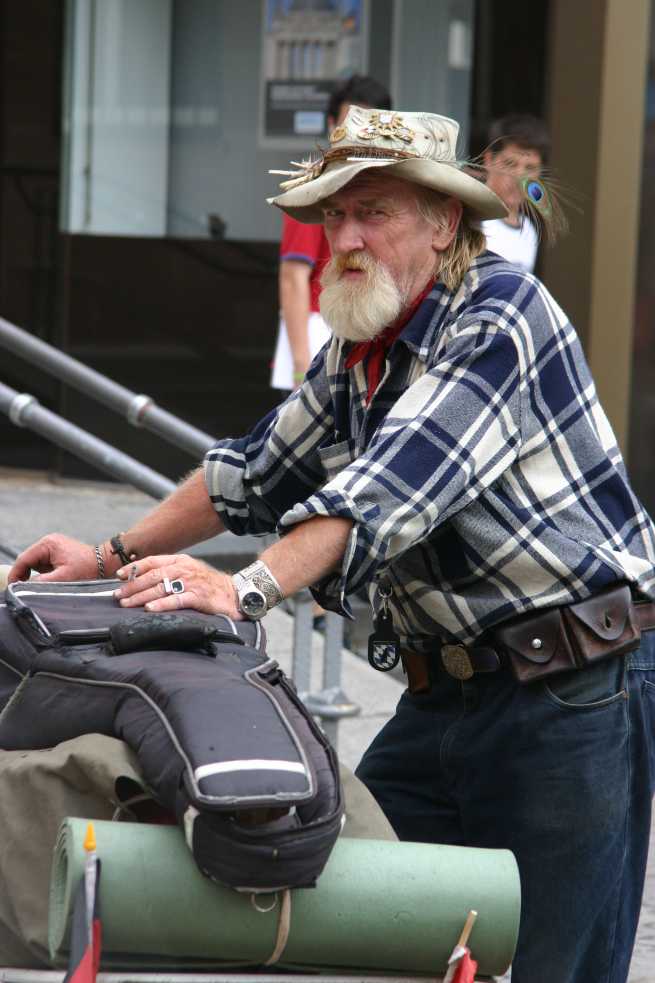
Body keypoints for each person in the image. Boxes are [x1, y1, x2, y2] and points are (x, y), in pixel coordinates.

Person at [10, 105, 655, 983]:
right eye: (334, 214)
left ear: (441, 224)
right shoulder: (364, 342)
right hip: (442, 695)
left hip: (573, 693)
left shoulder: (499, 314)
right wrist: (107, 554)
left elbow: (381, 493)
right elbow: (251, 471)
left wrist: (242, 589)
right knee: (353, 926)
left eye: (374, 212)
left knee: (556, 965)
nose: (343, 237)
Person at [270, 75, 391, 394]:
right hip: (319, 343)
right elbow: (292, 277)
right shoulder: (318, 186)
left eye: (369, 126)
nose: (359, 136)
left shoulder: (393, 186)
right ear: (330, 125)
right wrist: (301, 369)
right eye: (349, 125)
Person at [481, 113, 550, 272]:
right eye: (510, 164)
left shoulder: (529, 230)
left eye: (530, 168)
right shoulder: (469, 220)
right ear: (488, 160)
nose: (520, 177)